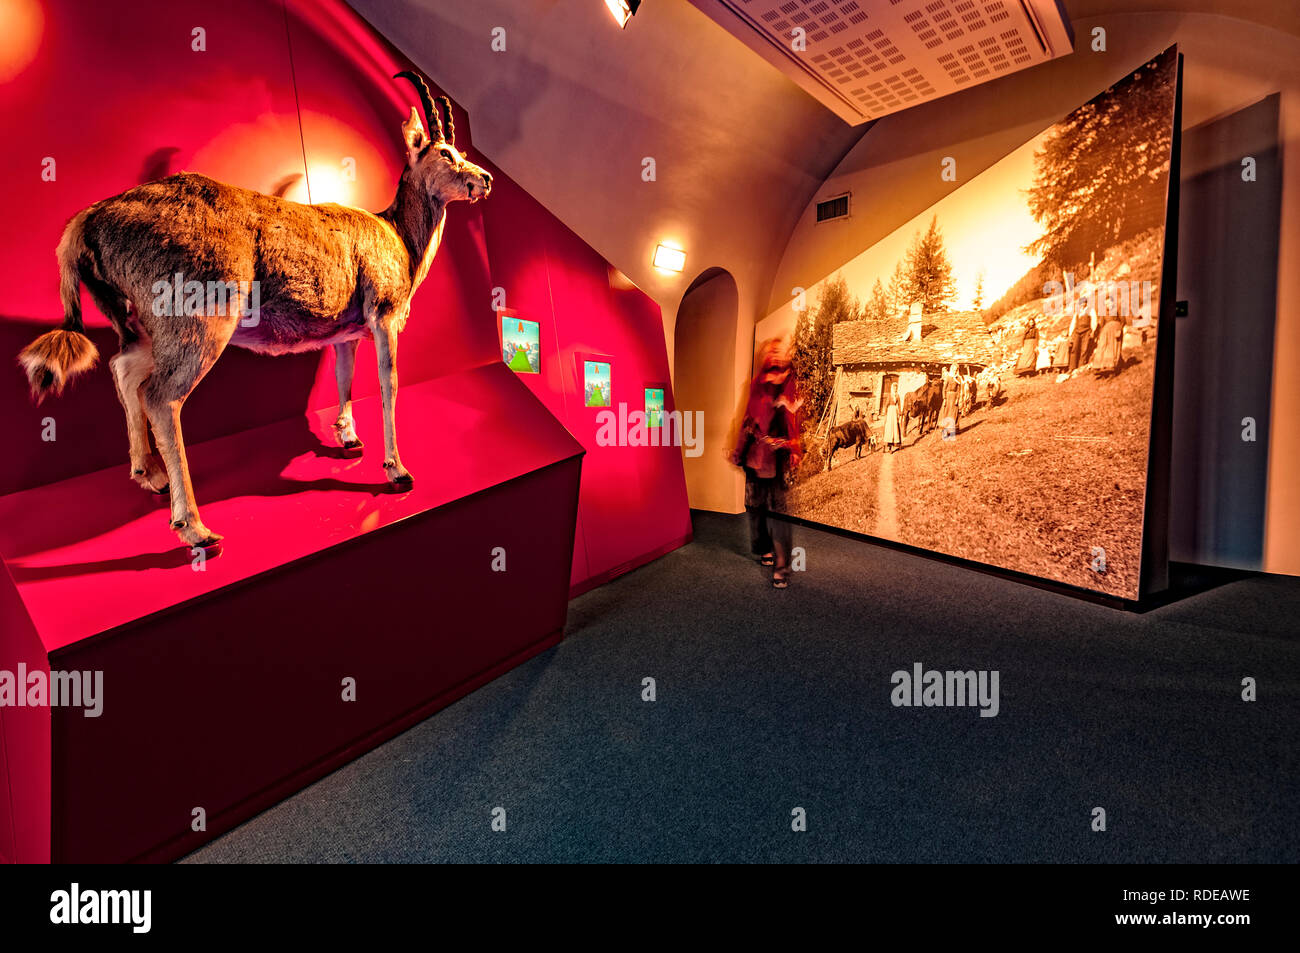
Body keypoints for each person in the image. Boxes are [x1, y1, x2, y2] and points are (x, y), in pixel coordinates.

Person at [728, 338, 804, 589]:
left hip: (778, 457)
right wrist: (739, 449)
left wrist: (793, 448)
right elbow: (748, 418)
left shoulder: (791, 386)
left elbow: (795, 421)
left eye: (779, 351)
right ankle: (763, 548)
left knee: (779, 513)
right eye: (771, 350)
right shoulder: (757, 385)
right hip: (756, 455)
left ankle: (781, 567)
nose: (775, 355)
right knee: (755, 508)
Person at [940, 362, 961, 437]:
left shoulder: (958, 378)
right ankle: (945, 431)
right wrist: (944, 398)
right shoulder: (948, 378)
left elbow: (959, 390)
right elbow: (944, 389)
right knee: (946, 413)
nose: (955, 371)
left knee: (954, 413)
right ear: (951, 369)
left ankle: (953, 430)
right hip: (948, 397)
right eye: (954, 370)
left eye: (956, 370)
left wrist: (957, 399)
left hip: (954, 397)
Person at [882, 381, 902, 453]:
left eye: (896, 388)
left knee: (894, 428)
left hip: (894, 411)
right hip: (890, 412)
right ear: (892, 388)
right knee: (889, 428)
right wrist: (885, 412)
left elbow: (899, 405)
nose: (895, 389)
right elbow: (886, 405)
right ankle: (886, 445)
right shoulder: (889, 395)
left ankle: (892, 446)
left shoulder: (897, 396)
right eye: (894, 387)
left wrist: (899, 412)